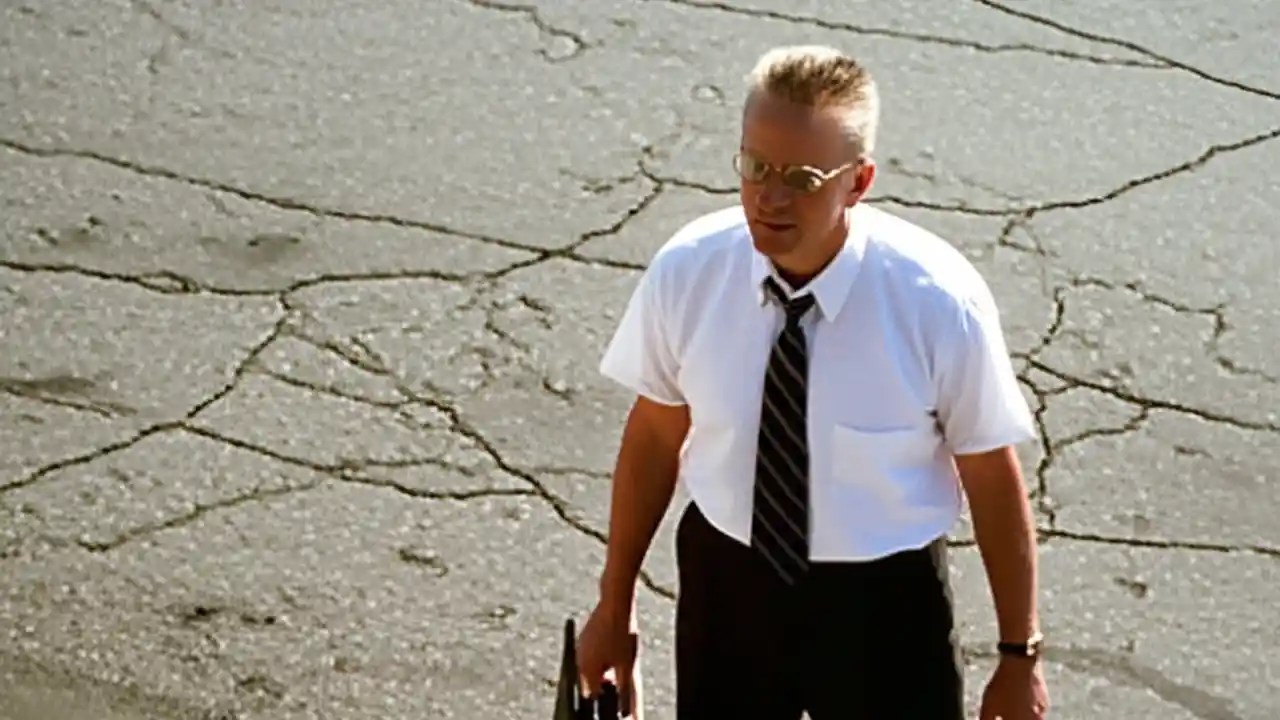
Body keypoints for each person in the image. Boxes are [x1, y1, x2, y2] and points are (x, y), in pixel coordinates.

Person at [575, 44, 1050, 719]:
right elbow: (655, 436)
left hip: (883, 612)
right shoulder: (688, 272)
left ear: (858, 182)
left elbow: (992, 474)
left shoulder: (938, 302)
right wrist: (614, 607)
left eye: (800, 177)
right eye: (754, 166)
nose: (768, 197)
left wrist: (1018, 657)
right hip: (727, 589)